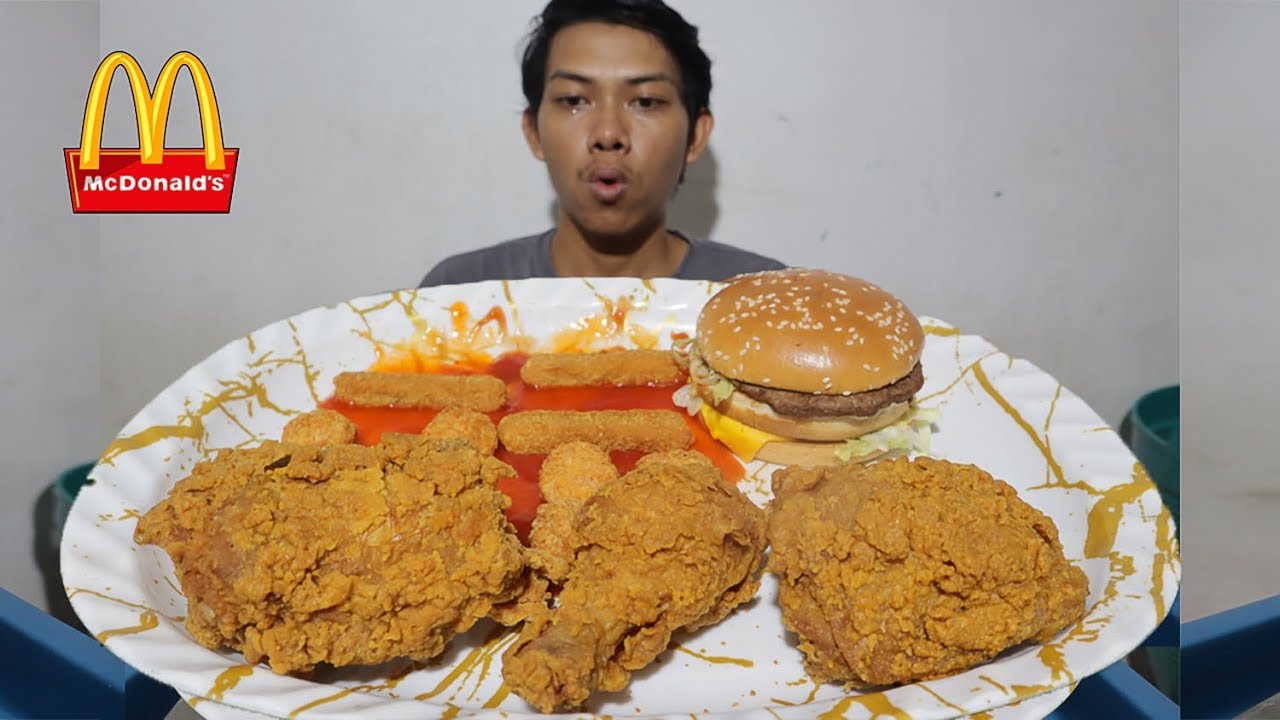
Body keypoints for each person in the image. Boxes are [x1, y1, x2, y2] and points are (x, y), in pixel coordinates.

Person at [419, 0, 785, 287]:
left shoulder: (762, 299)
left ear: (695, 135)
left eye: (645, 102)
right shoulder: (457, 294)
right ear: (534, 132)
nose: (608, 135)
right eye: (574, 100)